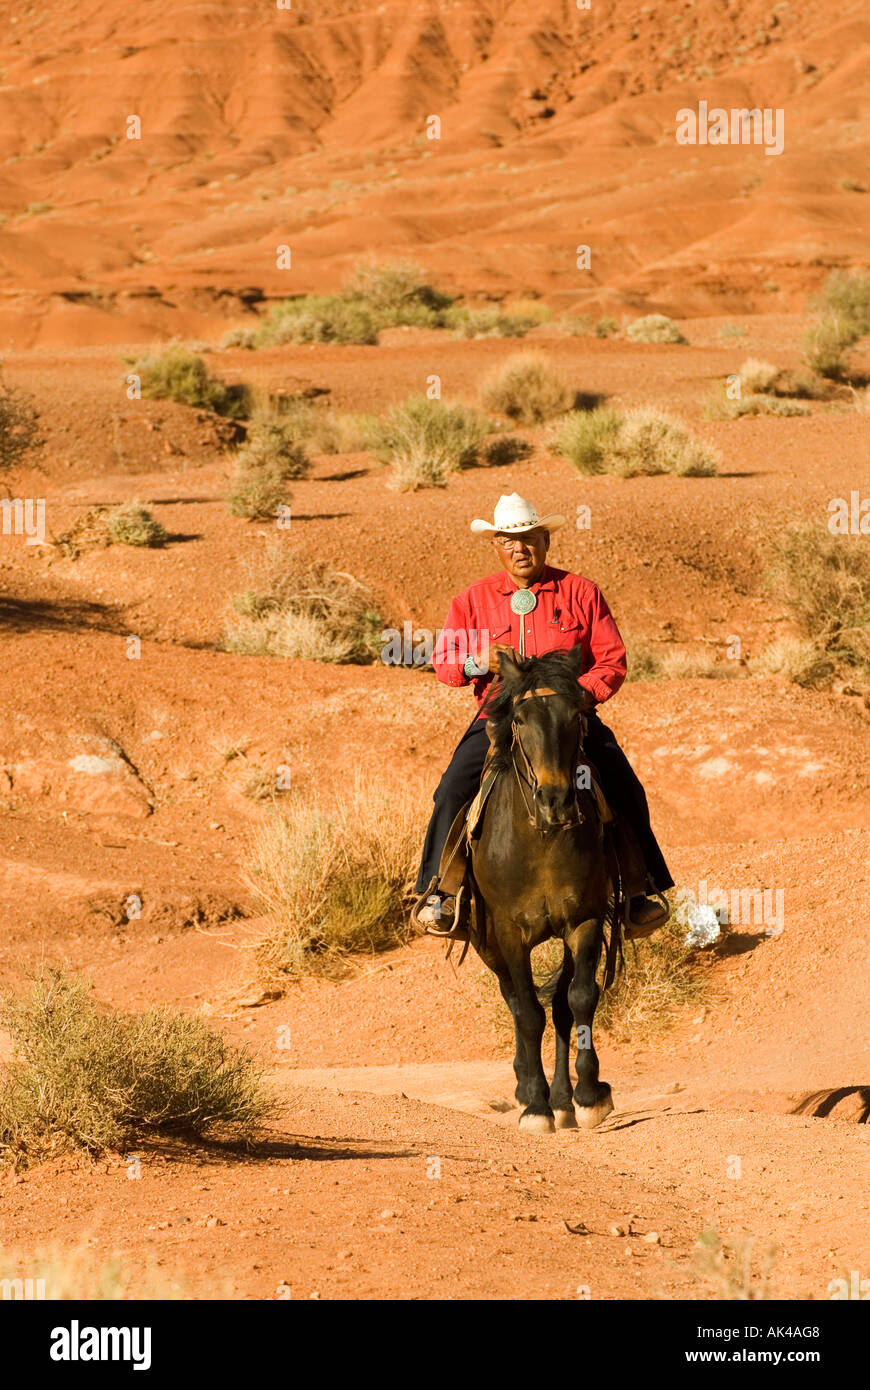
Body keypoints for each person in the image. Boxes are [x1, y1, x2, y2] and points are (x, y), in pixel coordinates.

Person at [414, 492, 673, 939]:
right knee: (452, 788)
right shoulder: (471, 601)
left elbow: (611, 662)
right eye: (509, 541)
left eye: (529, 538)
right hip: (499, 721)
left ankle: (640, 889)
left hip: (570, 720)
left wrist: (574, 699)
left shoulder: (581, 593)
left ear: (545, 541)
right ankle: (439, 892)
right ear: (495, 545)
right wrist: (479, 661)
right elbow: (444, 664)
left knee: (623, 783)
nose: (520, 549)